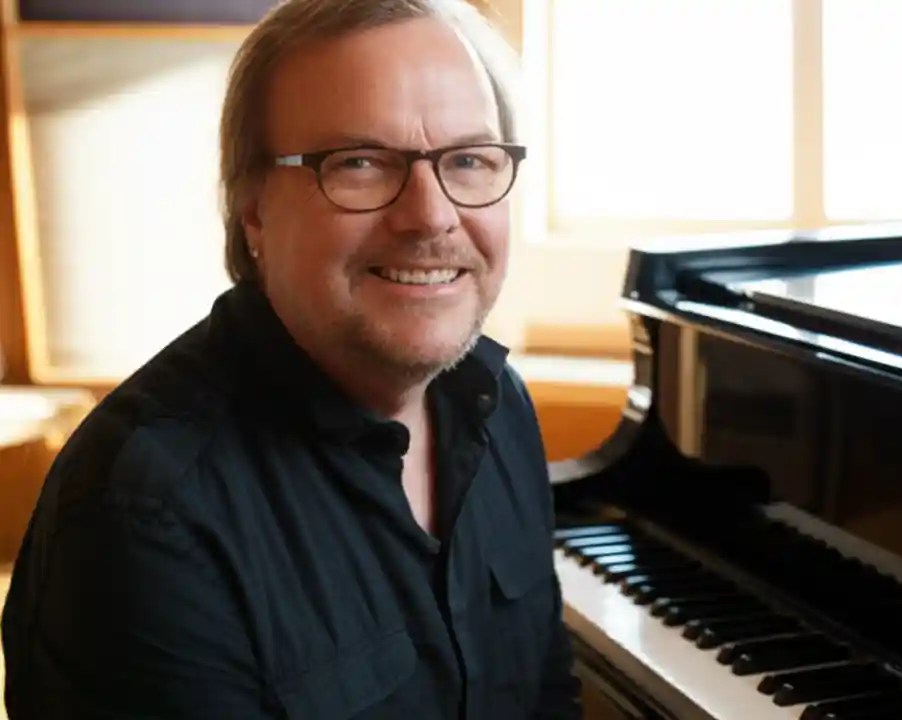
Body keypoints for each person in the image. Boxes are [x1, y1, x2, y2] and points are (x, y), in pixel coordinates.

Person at [1, 0, 582, 717]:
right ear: (253, 211)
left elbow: (547, 696)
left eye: (468, 160)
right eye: (361, 163)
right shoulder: (144, 518)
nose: (431, 215)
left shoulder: (499, 403)